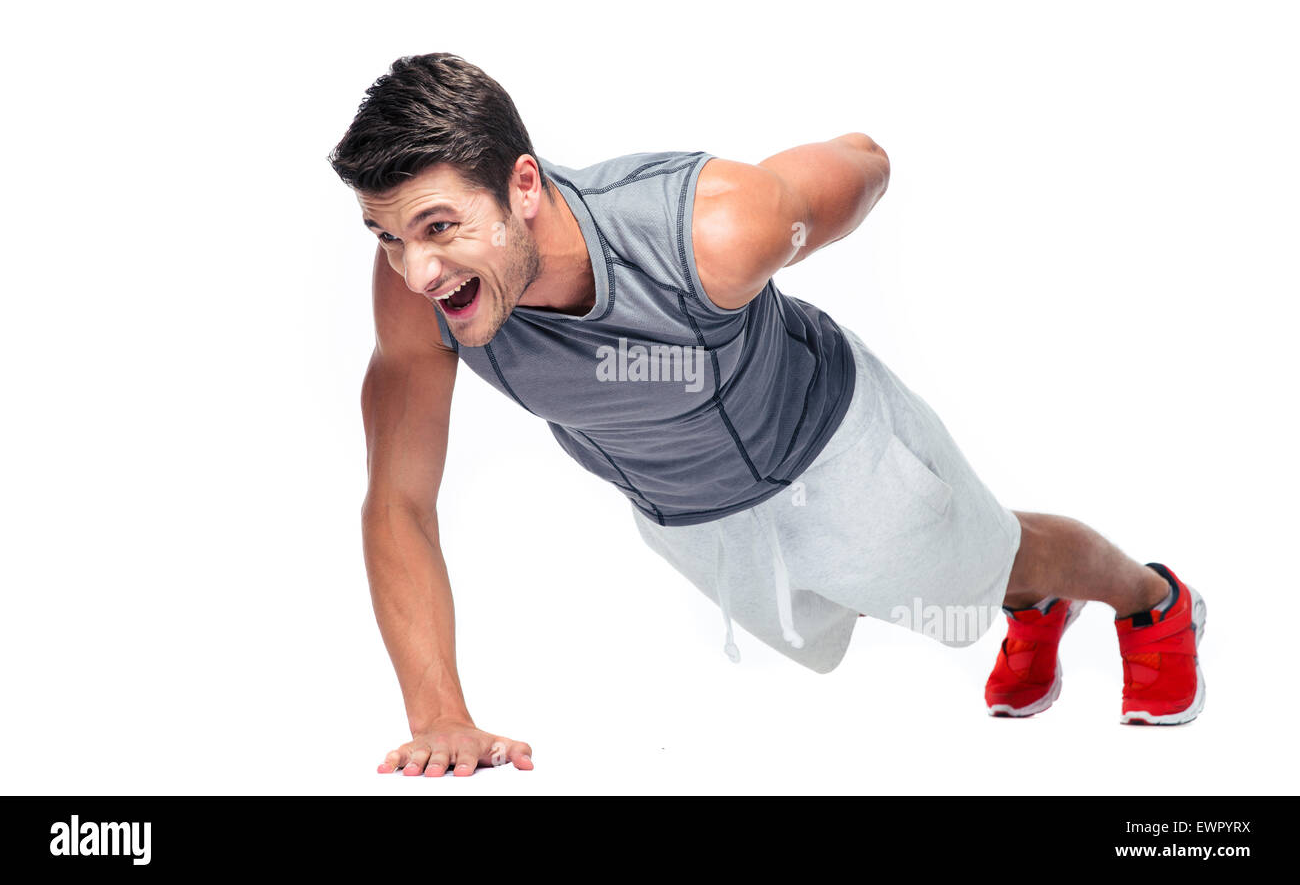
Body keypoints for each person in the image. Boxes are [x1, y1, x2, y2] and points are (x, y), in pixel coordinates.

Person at [327, 53, 1207, 777]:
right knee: (887, 602)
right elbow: (399, 500)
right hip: (694, 516)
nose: (416, 272)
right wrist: (439, 713)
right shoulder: (415, 299)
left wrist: (856, 166)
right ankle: (1021, 594)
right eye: (387, 236)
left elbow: (860, 165)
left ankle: (1151, 601)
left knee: (980, 558)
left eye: (438, 227)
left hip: (835, 451)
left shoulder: (711, 230)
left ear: (523, 185)